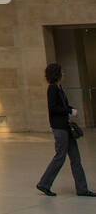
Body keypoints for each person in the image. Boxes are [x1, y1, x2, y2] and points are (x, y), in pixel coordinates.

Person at [36, 62, 96, 197]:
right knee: (60, 157)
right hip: (59, 128)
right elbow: (52, 108)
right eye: (62, 72)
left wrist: (71, 109)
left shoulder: (59, 87)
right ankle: (44, 183)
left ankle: (82, 188)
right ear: (56, 74)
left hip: (65, 127)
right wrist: (69, 110)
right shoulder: (52, 88)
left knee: (76, 158)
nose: (64, 74)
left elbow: (63, 105)